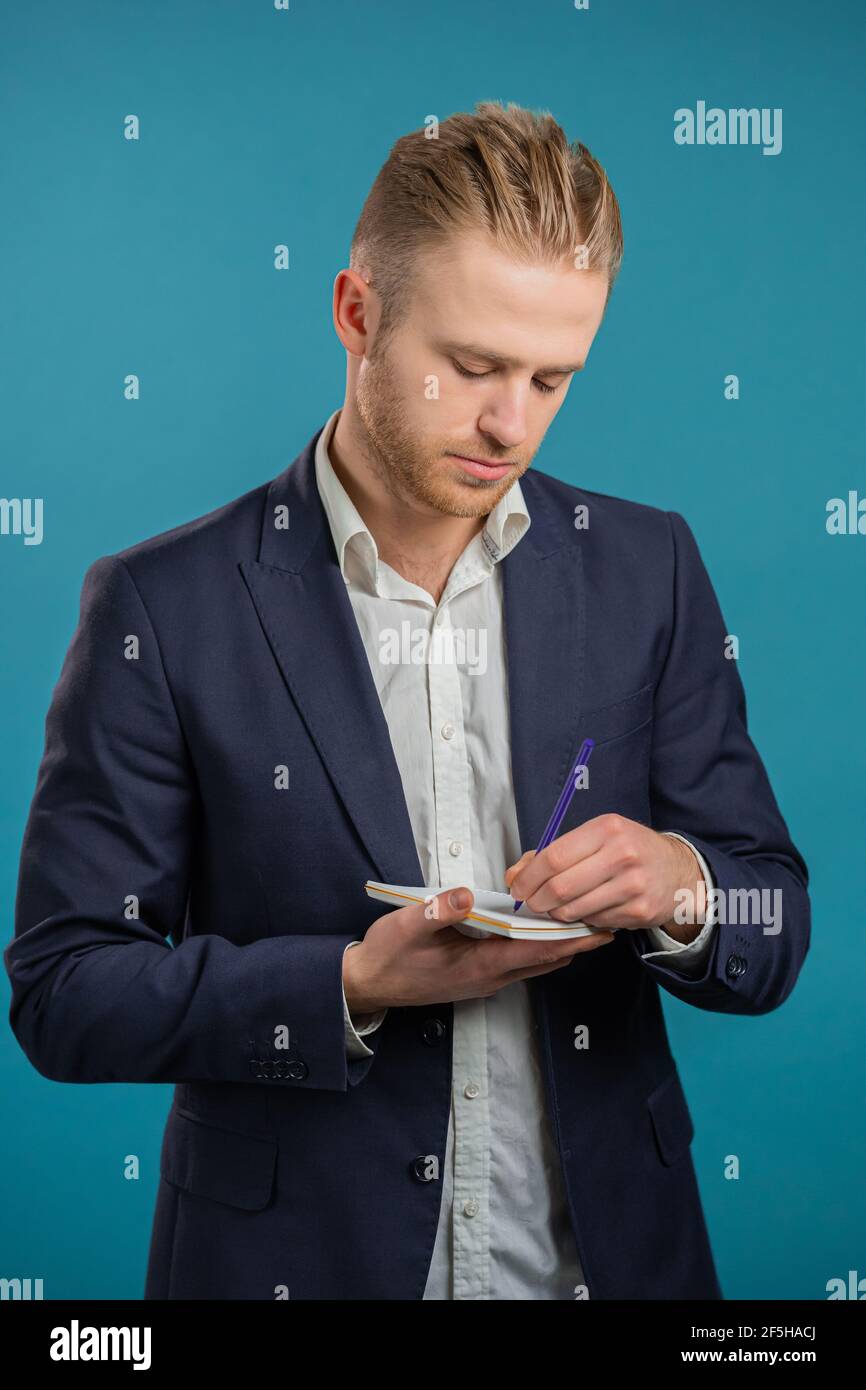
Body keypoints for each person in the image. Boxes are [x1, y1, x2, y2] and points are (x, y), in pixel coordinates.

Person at [5, 101, 810, 1300]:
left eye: (551, 377)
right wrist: (346, 984)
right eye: (472, 366)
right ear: (355, 312)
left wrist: (681, 886)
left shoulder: (650, 569)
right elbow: (63, 989)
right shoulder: (161, 605)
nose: (510, 424)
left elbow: (771, 914)